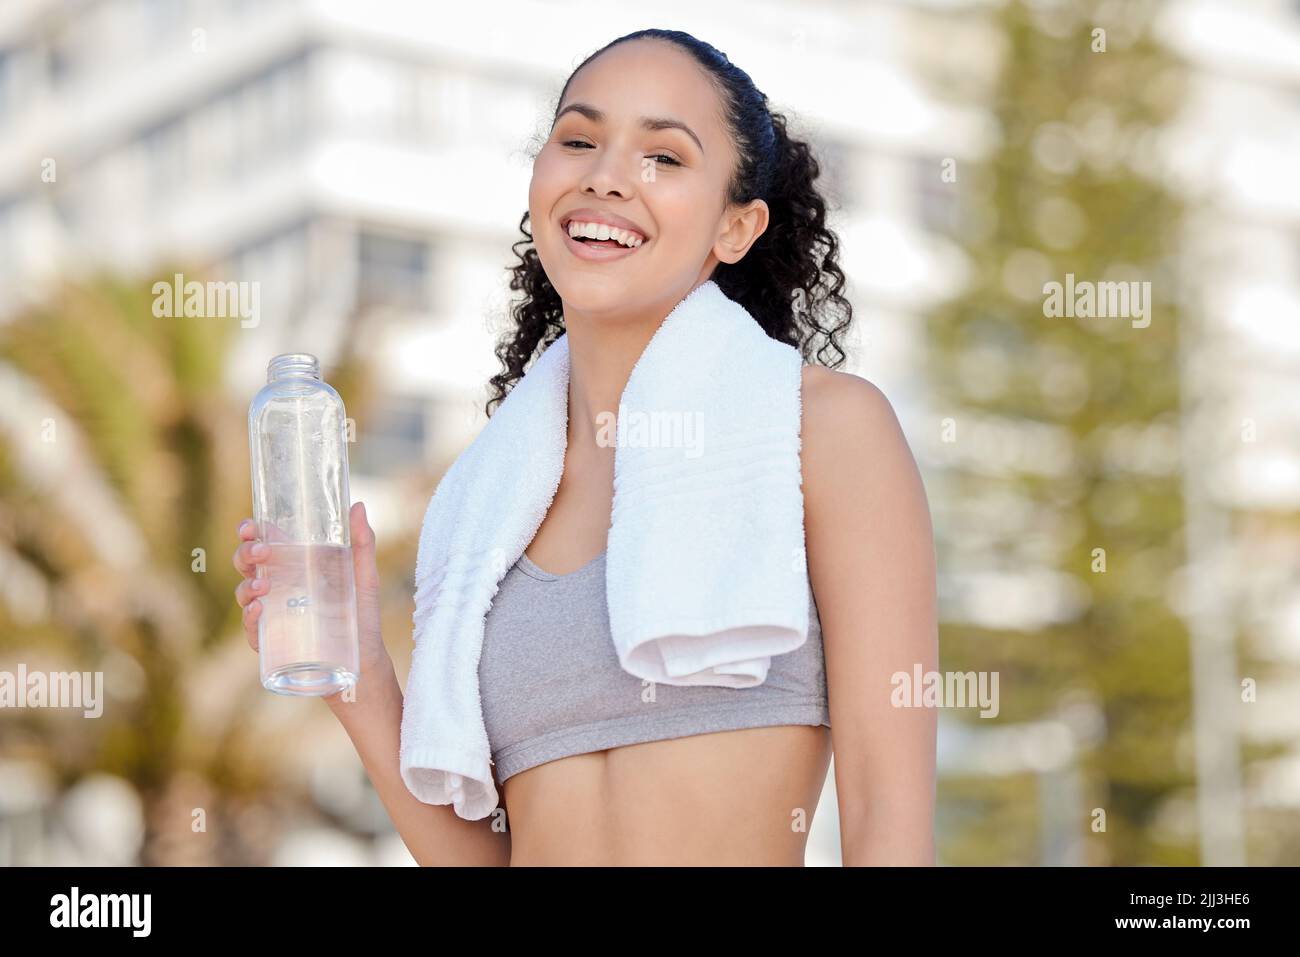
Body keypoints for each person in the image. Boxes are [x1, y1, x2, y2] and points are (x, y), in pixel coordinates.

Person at [233, 28, 937, 866]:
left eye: (664, 158)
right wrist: (357, 669)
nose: (606, 174)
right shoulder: (486, 500)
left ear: (737, 225)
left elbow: (887, 812)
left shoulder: (820, 428)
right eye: (578, 139)